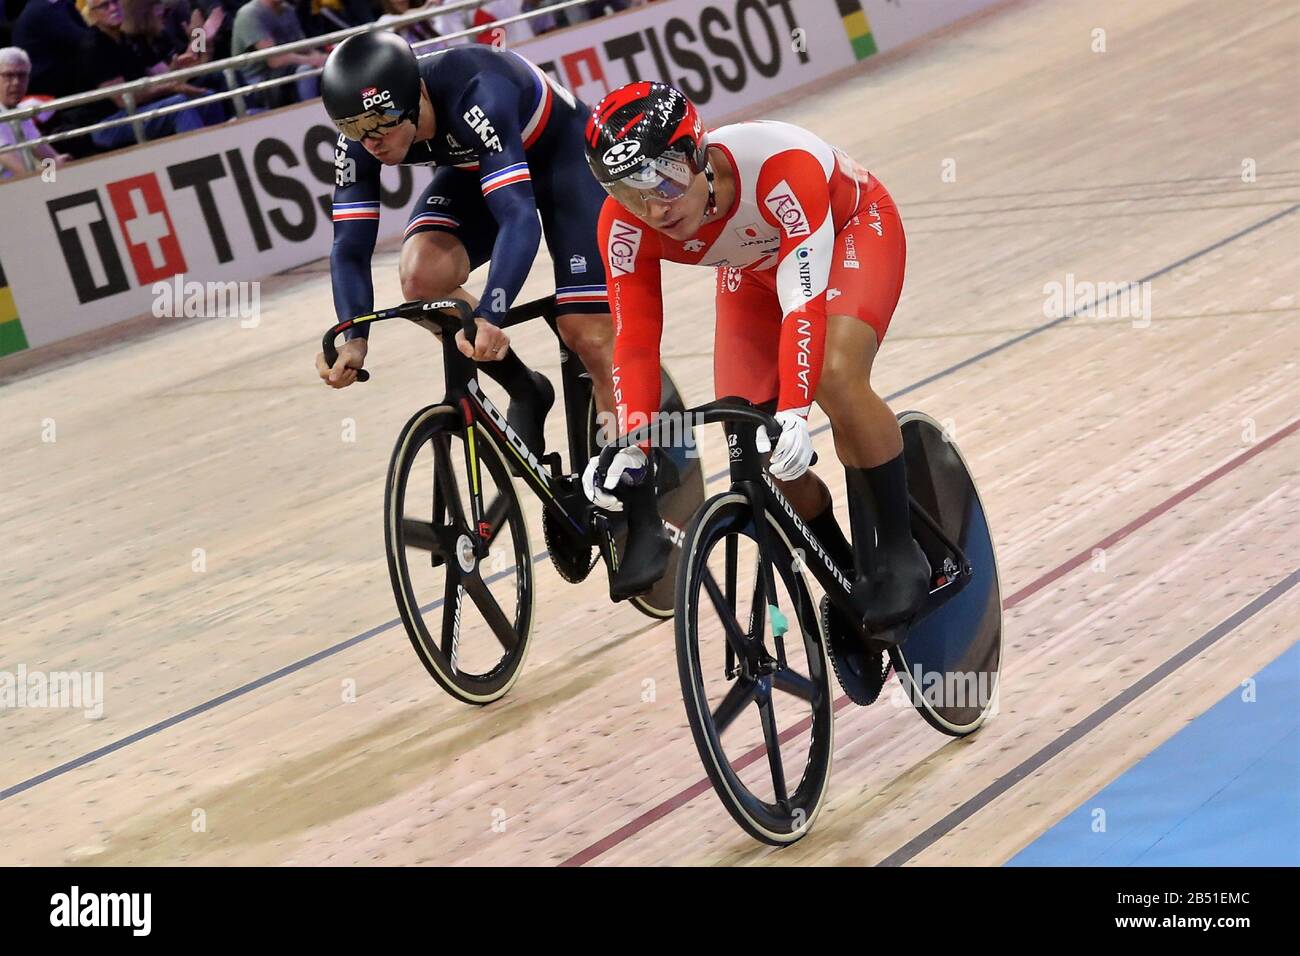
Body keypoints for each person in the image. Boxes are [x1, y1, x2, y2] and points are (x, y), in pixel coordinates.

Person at [581, 82, 931, 635]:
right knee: (750, 444)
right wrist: (633, 443)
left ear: (698, 155)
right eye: (628, 192)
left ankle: (899, 548)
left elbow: (802, 300)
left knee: (832, 380)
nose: (654, 208)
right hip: (753, 268)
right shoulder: (625, 227)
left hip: (848, 234)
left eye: (666, 179)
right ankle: (844, 578)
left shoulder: (779, 169)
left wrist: (795, 411)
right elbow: (636, 341)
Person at [314, 32, 616, 467]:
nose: (371, 140)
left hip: (562, 157)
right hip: (480, 163)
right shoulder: (362, 137)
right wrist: (354, 338)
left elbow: (518, 217)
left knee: (588, 334)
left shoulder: (478, 91)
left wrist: (492, 312)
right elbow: (348, 249)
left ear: (417, 94)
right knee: (422, 282)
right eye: (353, 128)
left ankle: (634, 492)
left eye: (382, 120)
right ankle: (525, 387)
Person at [72, 0, 224, 152]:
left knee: (208, 96)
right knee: (178, 106)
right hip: (107, 123)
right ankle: (204, 158)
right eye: (105, 5)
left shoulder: (132, 39)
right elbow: (124, 99)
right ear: (93, 15)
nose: (161, 11)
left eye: (115, 2)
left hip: (140, 107)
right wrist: (171, 87)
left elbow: (166, 77)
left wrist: (188, 57)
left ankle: (223, 149)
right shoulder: (94, 46)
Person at [230, 0, 325, 109]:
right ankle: (313, 112)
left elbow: (305, 48)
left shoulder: (287, 9)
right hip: (256, 82)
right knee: (306, 71)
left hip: (288, 69)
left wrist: (323, 59)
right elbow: (275, 60)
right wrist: (313, 61)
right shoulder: (249, 14)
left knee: (329, 66)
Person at [0, 46, 70, 177]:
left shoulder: (19, 112)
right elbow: (24, 172)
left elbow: (49, 156)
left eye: (22, 76)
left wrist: (58, 163)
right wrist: (53, 168)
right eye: (8, 76)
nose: (16, 82)